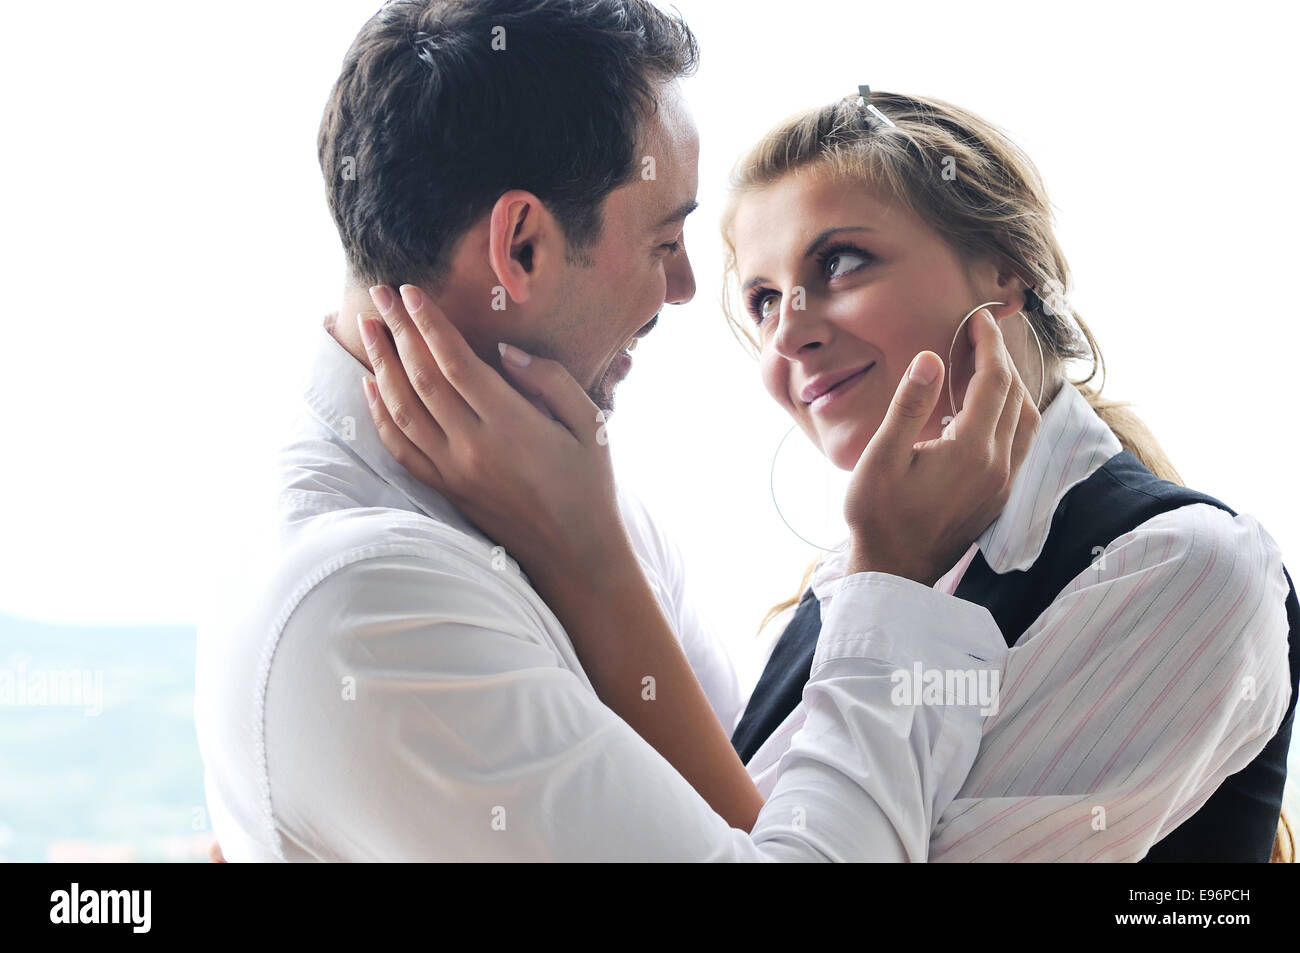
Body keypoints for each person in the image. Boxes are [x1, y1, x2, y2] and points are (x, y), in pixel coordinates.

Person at [361, 89, 1299, 862]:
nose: (790, 331)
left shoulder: (1186, 569)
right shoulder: (849, 585)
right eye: (764, 301)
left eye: (839, 262)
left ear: (1003, 273)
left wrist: (588, 549)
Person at [196, 0, 1035, 862]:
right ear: (520, 248)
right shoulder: (366, 603)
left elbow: (751, 817)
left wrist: (592, 557)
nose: (681, 287)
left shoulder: (566, 491)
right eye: (665, 239)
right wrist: (892, 574)